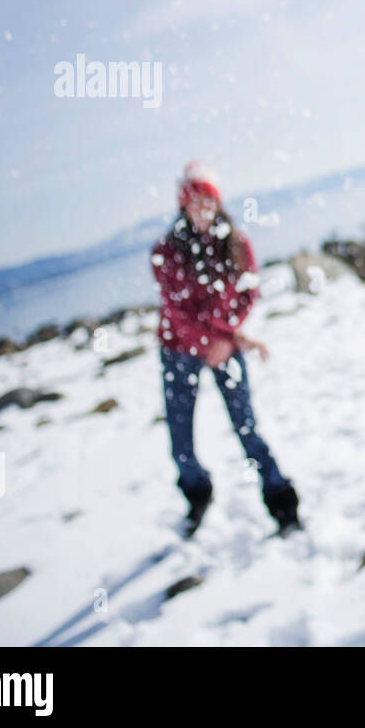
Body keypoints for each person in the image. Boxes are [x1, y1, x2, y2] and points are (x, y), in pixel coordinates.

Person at [150, 161, 300, 535]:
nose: (202, 208)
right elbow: (177, 310)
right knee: (181, 441)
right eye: (194, 201)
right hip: (179, 351)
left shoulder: (236, 243)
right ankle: (197, 496)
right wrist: (218, 341)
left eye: (208, 200)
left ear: (217, 203)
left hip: (225, 348)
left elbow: (248, 292)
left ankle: (282, 503)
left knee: (247, 428)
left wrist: (225, 338)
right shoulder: (167, 252)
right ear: (183, 206)